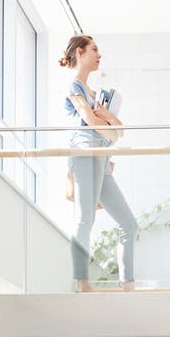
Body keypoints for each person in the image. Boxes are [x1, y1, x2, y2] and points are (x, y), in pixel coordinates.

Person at [60, 34, 138, 292]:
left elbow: (118, 132)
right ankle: (81, 281)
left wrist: (107, 119)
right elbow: (93, 123)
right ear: (80, 52)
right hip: (85, 152)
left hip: (102, 159)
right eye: (94, 49)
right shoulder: (73, 86)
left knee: (129, 224)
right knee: (85, 219)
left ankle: (128, 286)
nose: (99, 54)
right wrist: (109, 125)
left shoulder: (95, 94)